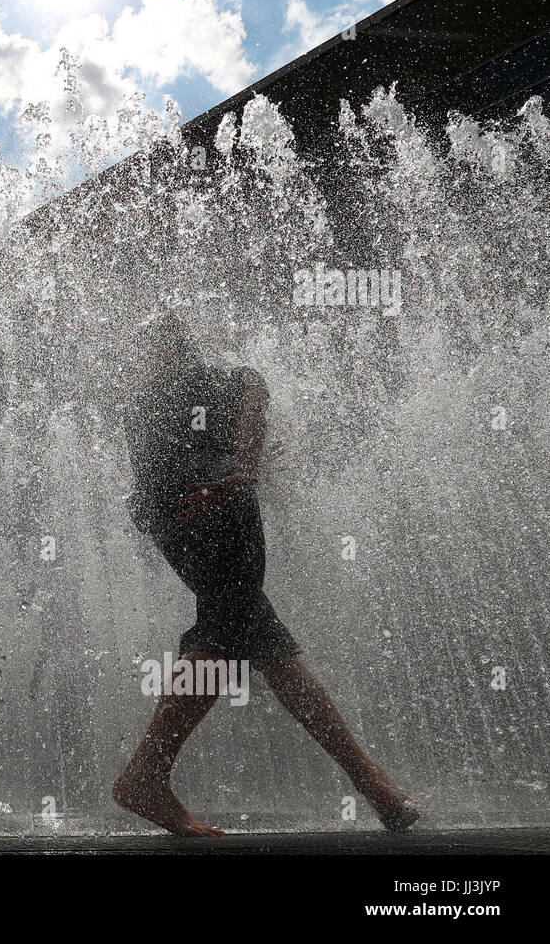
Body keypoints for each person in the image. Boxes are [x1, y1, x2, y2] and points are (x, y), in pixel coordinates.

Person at [112, 313, 420, 837]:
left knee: (264, 644)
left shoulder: (146, 403)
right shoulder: (210, 384)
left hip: (188, 518)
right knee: (231, 629)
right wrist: (240, 473)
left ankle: (376, 788)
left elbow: (150, 491)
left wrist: (177, 510)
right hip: (221, 513)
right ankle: (146, 773)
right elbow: (253, 392)